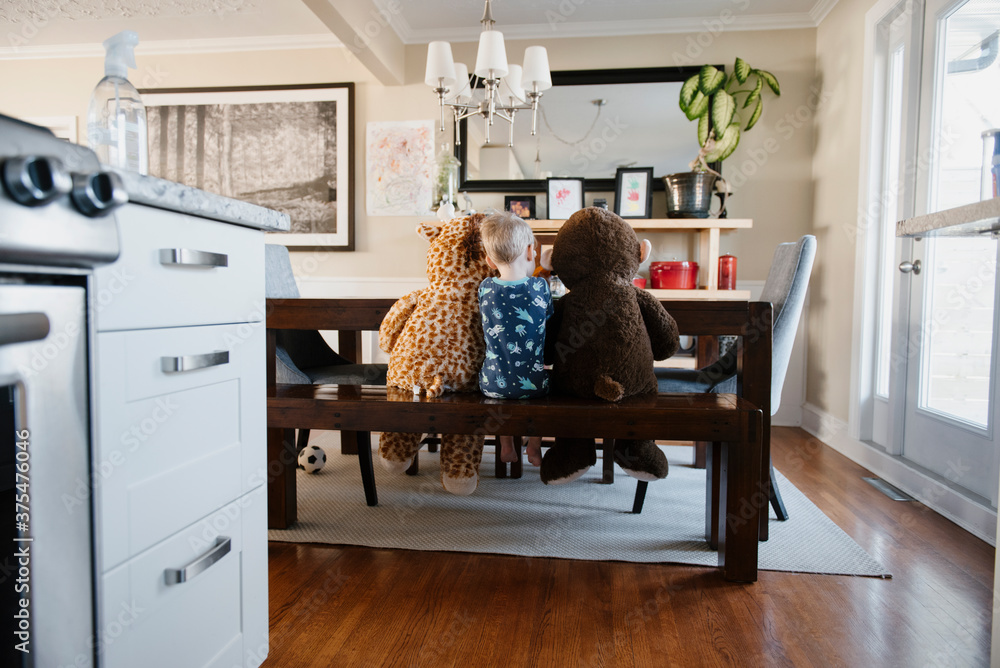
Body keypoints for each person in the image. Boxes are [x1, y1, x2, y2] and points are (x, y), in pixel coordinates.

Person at [478, 211, 552, 467]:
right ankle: (534, 445)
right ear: (531, 252)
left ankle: (507, 445)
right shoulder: (540, 287)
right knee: (543, 397)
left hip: (492, 382)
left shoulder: (485, 287)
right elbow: (549, 316)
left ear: (489, 260)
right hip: (534, 382)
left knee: (502, 399)